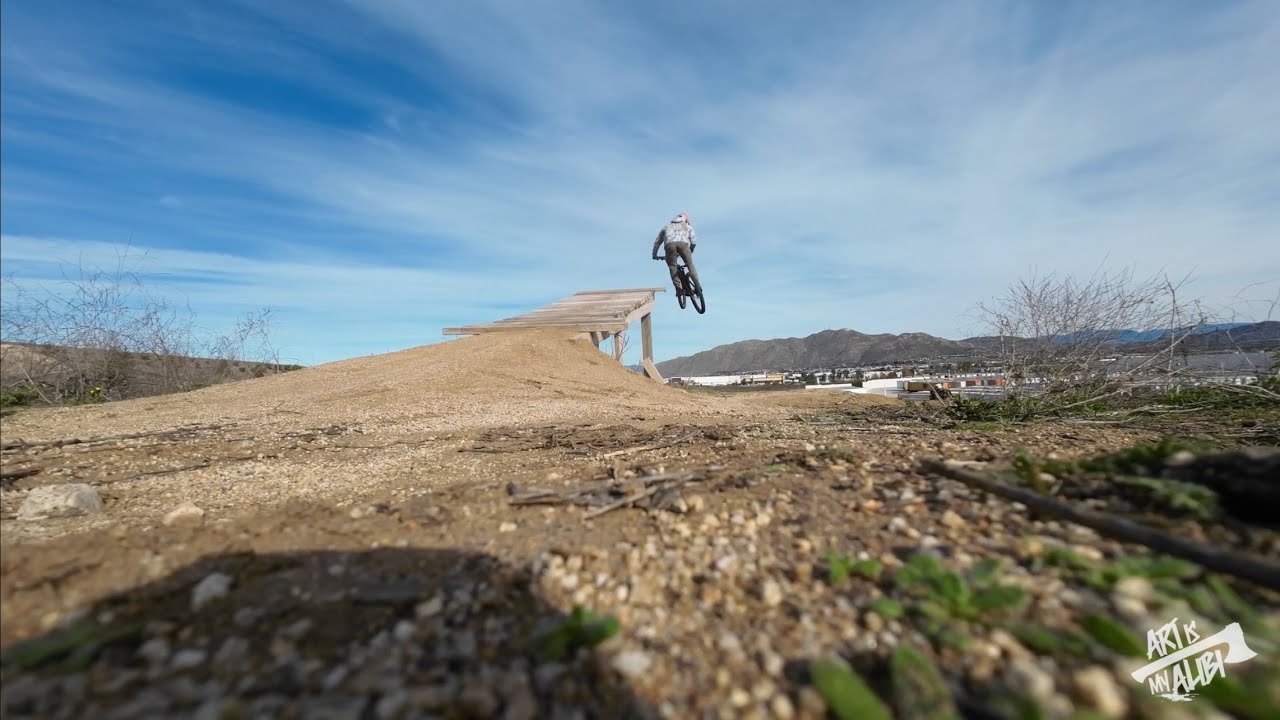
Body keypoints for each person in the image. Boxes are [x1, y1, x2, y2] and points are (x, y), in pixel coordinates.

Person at [651, 212, 701, 295]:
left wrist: (654, 255)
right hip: (683, 245)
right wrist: (691, 249)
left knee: (672, 267)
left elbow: (657, 242)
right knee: (689, 264)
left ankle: (679, 289)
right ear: (685, 220)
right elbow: (693, 240)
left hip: (669, 246)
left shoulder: (666, 227)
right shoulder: (687, 226)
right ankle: (697, 286)